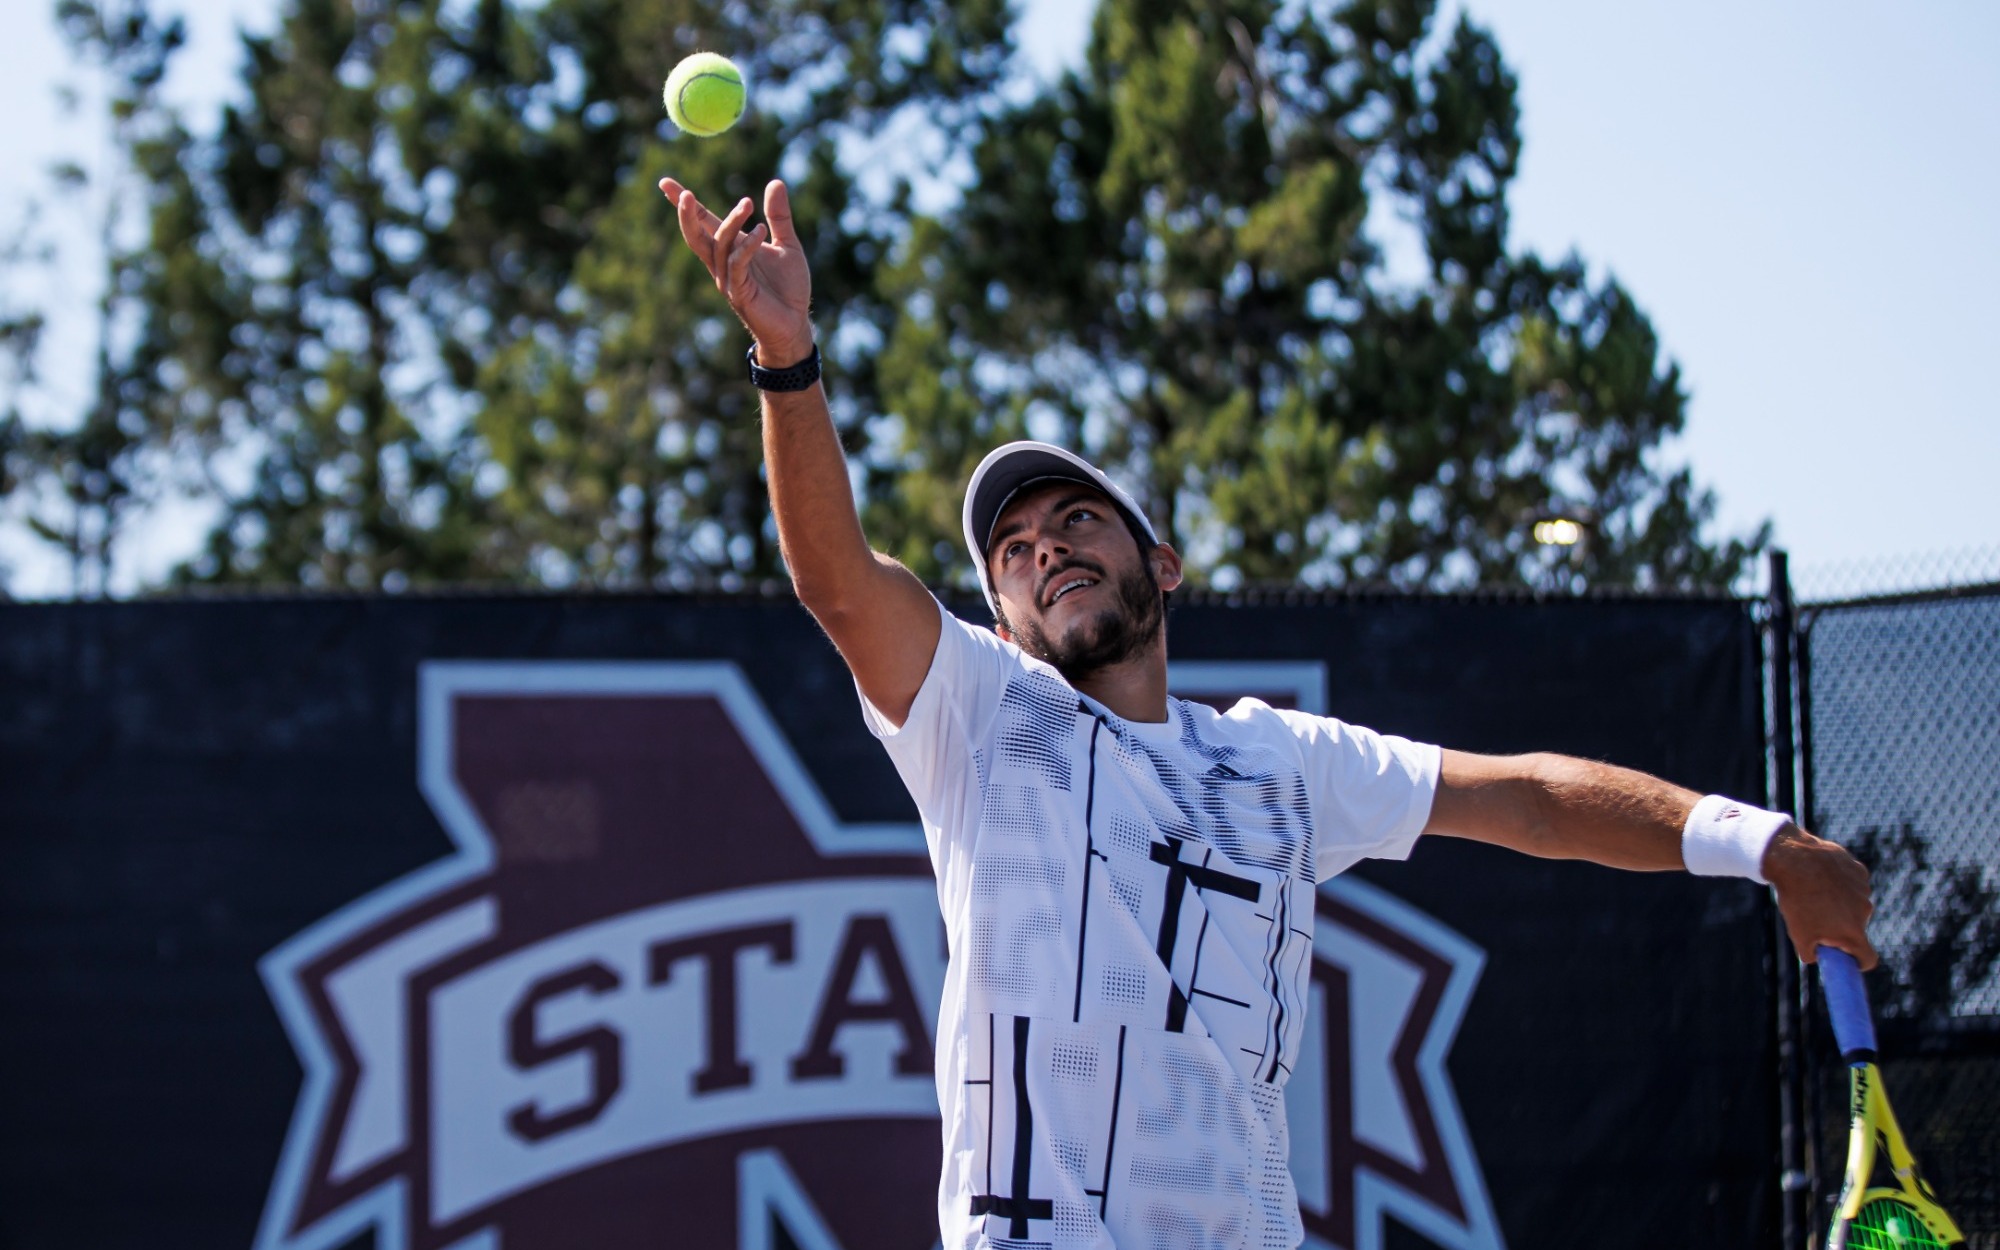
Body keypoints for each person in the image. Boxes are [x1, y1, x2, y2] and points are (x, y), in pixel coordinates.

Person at [657, 176, 1876, 1249]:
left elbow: (1530, 800)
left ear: (1162, 563)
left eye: (1075, 519)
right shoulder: (977, 713)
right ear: (1002, 616)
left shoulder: (1276, 761)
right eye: (1012, 550)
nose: (1044, 549)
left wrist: (1760, 843)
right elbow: (835, 580)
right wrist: (787, 361)